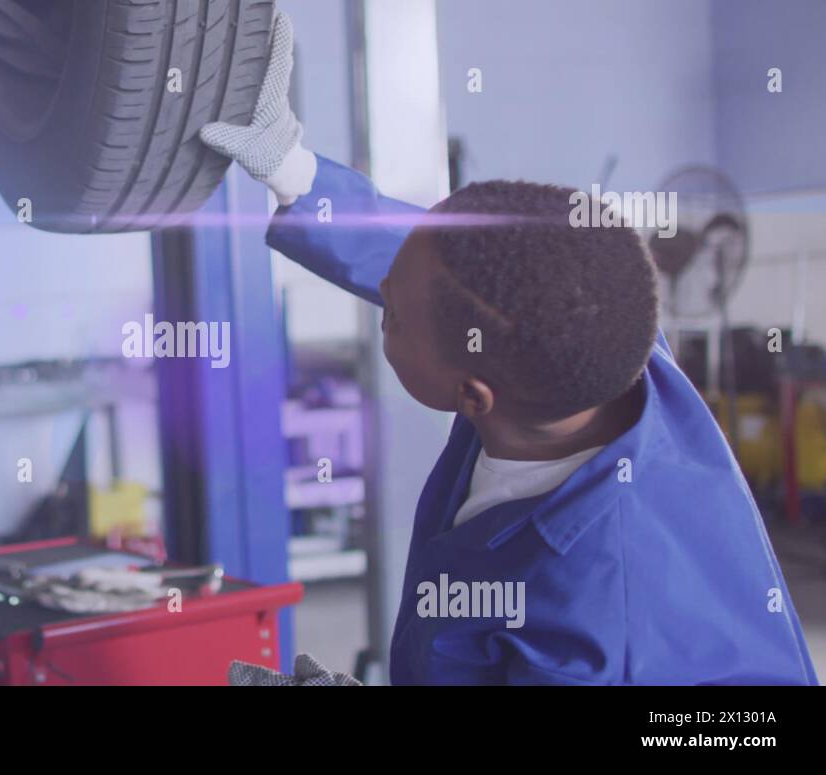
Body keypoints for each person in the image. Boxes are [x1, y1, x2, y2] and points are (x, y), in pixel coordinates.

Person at [201, 12, 817, 685]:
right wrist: (293, 168)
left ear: (473, 395)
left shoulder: (591, 620)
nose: (383, 296)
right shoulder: (589, 344)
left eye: (393, 315)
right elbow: (440, 264)